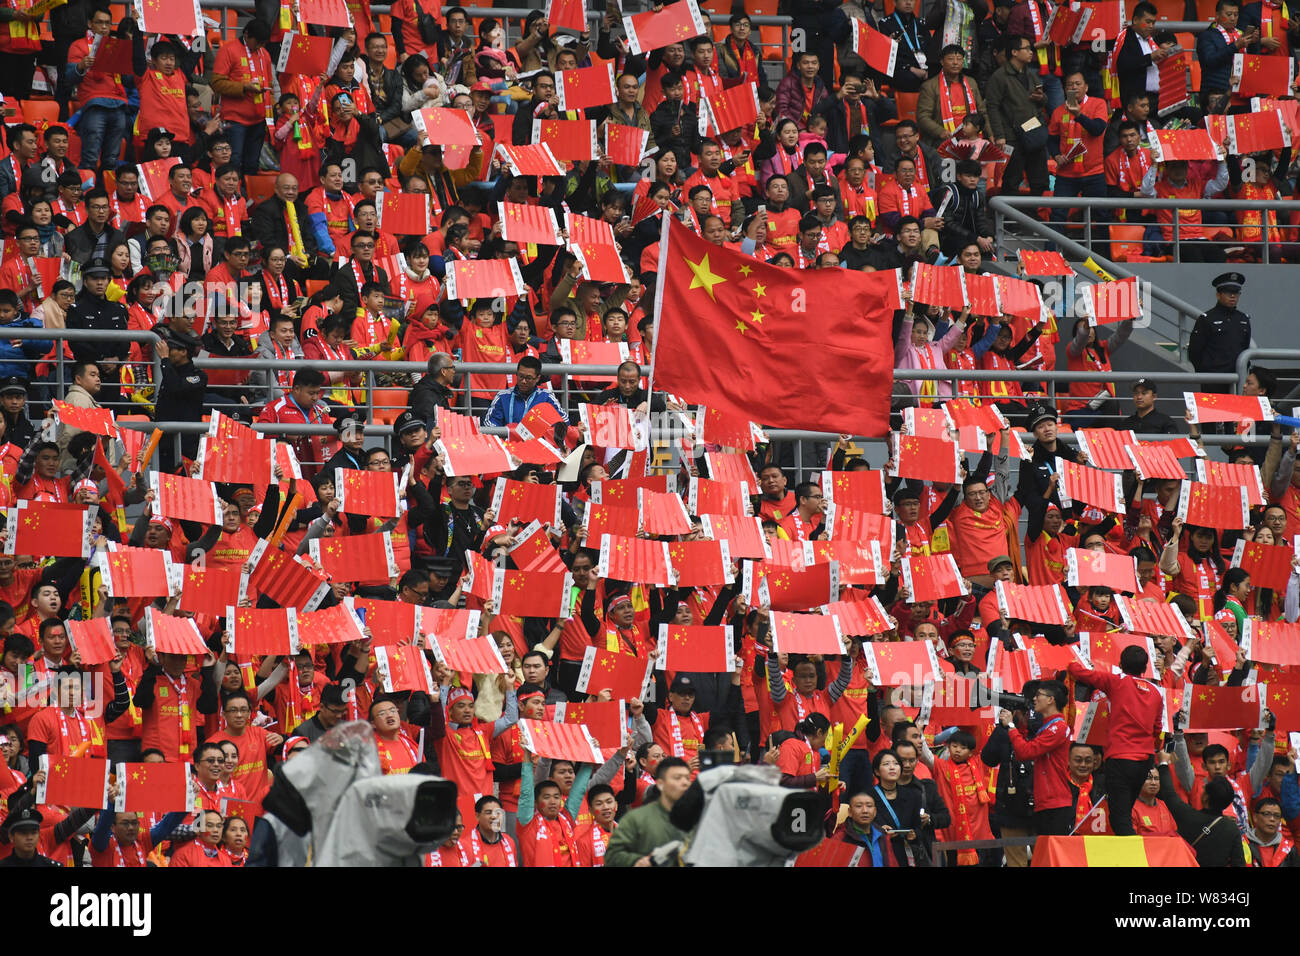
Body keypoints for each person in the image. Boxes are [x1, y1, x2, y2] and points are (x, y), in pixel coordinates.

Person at [1000, 679, 1073, 835]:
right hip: (1046, 801)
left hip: (1055, 803)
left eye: (1038, 695)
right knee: (1045, 855)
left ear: (1050, 700)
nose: (1034, 699)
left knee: (1053, 856)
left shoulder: (1057, 728)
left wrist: (1011, 726)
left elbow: (1025, 752)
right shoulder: (1048, 727)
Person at [1155, 750, 1246, 866]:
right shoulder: (1231, 828)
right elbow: (1238, 863)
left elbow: (1169, 793)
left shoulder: (1188, 816)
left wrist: (1163, 763)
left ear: (1205, 798)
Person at [604, 756, 691, 866]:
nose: (685, 783)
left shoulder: (695, 817)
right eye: (677, 778)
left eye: (687, 778)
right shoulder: (636, 819)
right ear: (660, 784)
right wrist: (640, 861)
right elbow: (612, 856)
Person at [1188, 272, 1253, 389]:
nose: (1233, 296)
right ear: (1218, 295)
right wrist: (1206, 373)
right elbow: (1195, 352)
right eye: (1228, 292)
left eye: (1236, 293)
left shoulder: (1243, 319)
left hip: (1237, 378)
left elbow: (1244, 347)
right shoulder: (1207, 319)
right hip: (1213, 379)